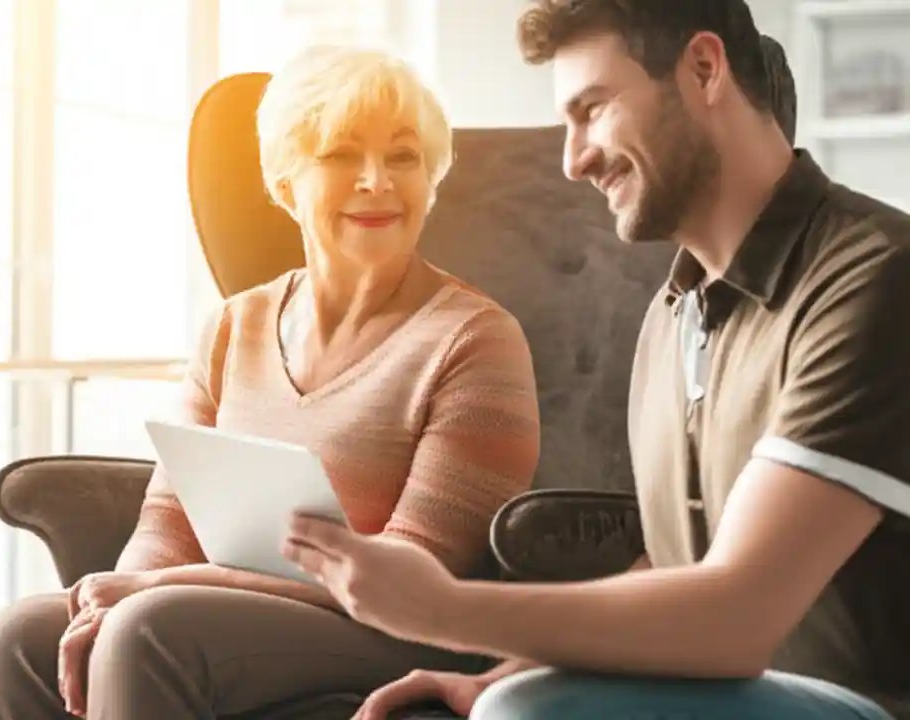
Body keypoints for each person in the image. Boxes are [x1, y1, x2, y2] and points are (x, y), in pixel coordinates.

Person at [283, 2, 910, 719]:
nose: (573, 160)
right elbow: (674, 573)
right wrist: (499, 675)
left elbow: (736, 615)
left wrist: (440, 609)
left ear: (704, 69)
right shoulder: (674, 315)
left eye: (594, 109)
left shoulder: (875, 278)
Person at [0, 45, 542, 720]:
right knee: (14, 639)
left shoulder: (476, 340)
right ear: (284, 184)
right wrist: (120, 588)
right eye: (340, 154)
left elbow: (410, 576)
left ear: (431, 177)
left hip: (403, 629)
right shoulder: (232, 327)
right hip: (227, 614)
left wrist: (156, 588)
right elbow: (168, 518)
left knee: (149, 627)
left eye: (402, 157)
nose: (376, 181)